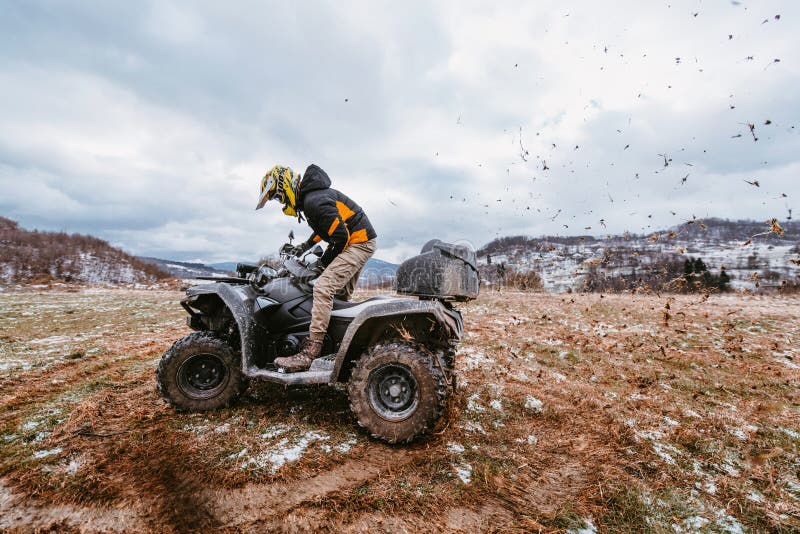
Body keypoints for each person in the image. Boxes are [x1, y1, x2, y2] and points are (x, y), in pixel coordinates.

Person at [255, 164, 377, 372]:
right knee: (339, 294)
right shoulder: (312, 198)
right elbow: (325, 227)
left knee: (322, 288)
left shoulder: (314, 200)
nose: (280, 202)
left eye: (277, 197)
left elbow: (339, 236)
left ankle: (312, 350)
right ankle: (337, 343)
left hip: (357, 242)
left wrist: (321, 265)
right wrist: (305, 246)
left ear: (284, 187)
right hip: (361, 240)